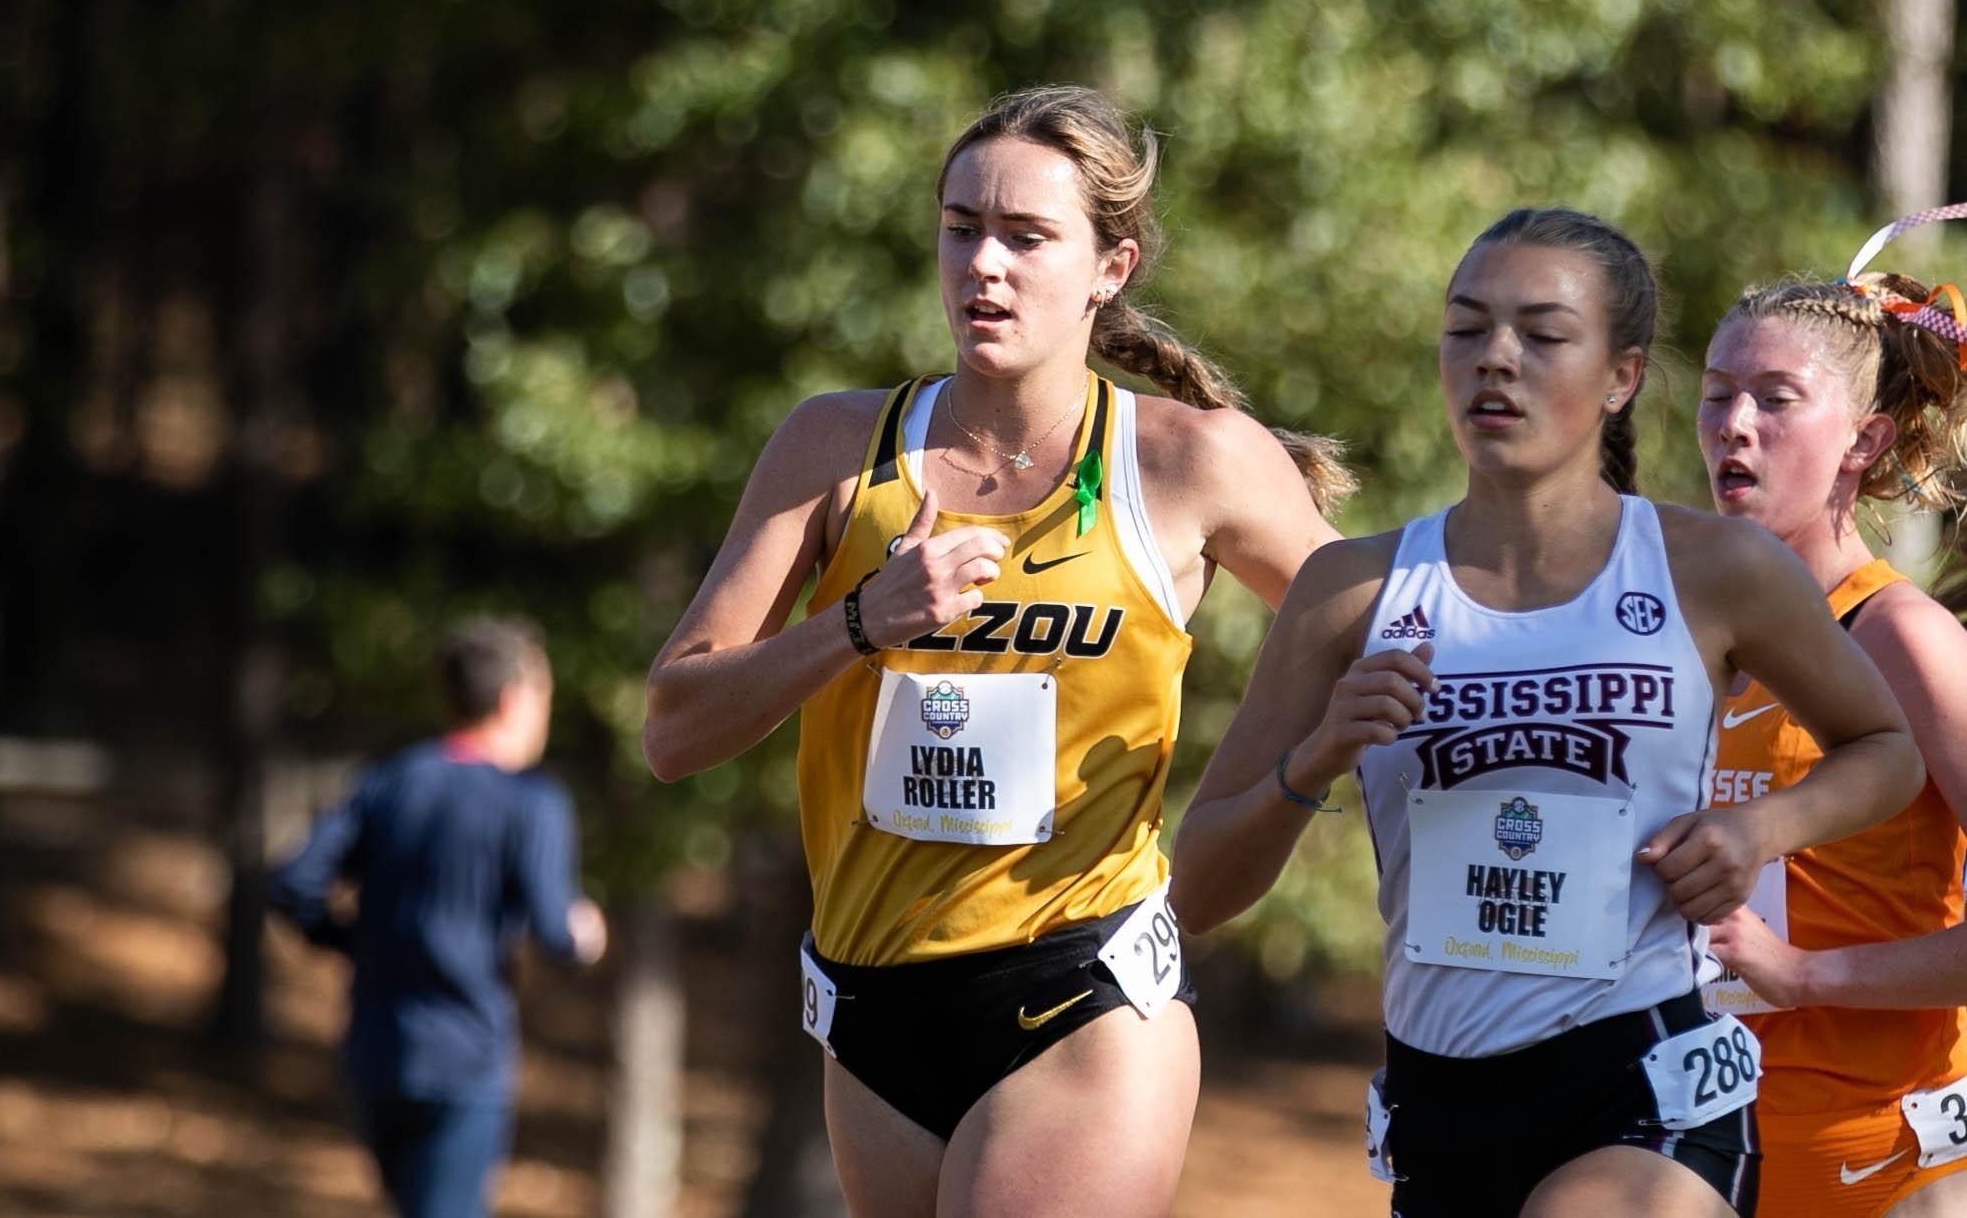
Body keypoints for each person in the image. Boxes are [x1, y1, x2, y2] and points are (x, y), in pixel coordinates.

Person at [642, 84, 1346, 1217]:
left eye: (1026, 236)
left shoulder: (1189, 462)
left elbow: (1377, 632)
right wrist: (859, 620)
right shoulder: (834, 447)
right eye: (961, 227)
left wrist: (1276, 773)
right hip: (870, 1010)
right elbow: (674, 730)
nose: (984, 265)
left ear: (1110, 268)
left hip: (1082, 995)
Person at [1170, 207, 1926, 1217]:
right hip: (1437, 1102)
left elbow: (1885, 750)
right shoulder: (1351, 590)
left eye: (1542, 334)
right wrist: (1312, 761)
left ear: (1620, 376)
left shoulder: (1714, 568)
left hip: (1646, 1084)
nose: (1496, 358)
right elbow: (1196, 891)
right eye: (1466, 328)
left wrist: (1758, 829)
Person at [1695, 205, 1967, 1217]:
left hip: (1883, 1170)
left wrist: (1805, 975)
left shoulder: (1902, 640)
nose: (1734, 423)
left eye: (1775, 399)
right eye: (1717, 394)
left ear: (1864, 439)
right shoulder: (1686, 631)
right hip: (1697, 1149)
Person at [271, 615, 606, 1218]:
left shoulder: (389, 782)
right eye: (545, 696)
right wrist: (587, 931)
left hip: (377, 1053)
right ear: (513, 699)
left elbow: (294, 883)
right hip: (465, 1057)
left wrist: (354, 942)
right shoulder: (532, 802)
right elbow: (557, 933)